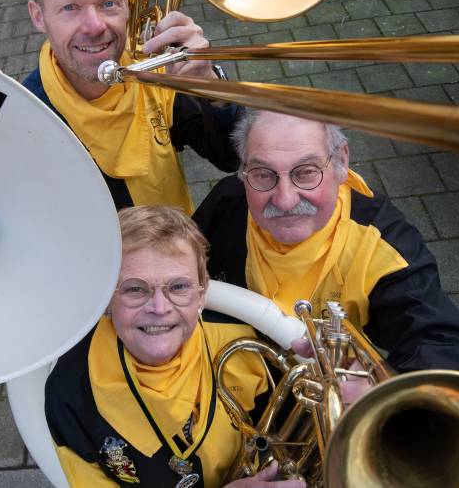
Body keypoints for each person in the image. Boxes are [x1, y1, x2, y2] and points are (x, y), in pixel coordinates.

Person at [192, 110, 459, 376]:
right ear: (243, 172)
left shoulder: (380, 243)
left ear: (341, 162)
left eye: (306, 172)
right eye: (263, 174)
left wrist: (379, 388)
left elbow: (445, 344)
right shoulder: (228, 202)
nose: (284, 199)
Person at [45, 205, 306, 487]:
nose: (159, 308)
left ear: (202, 293)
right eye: (135, 288)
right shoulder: (68, 394)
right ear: (107, 297)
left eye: (178, 287)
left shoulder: (243, 345)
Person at [22, 0, 239, 214]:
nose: (93, 26)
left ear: (127, 4)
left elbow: (230, 156)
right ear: (38, 16)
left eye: (108, 3)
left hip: (175, 243)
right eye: (70, 7)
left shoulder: (156, 67)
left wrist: (209, 83)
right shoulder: (24, 114)